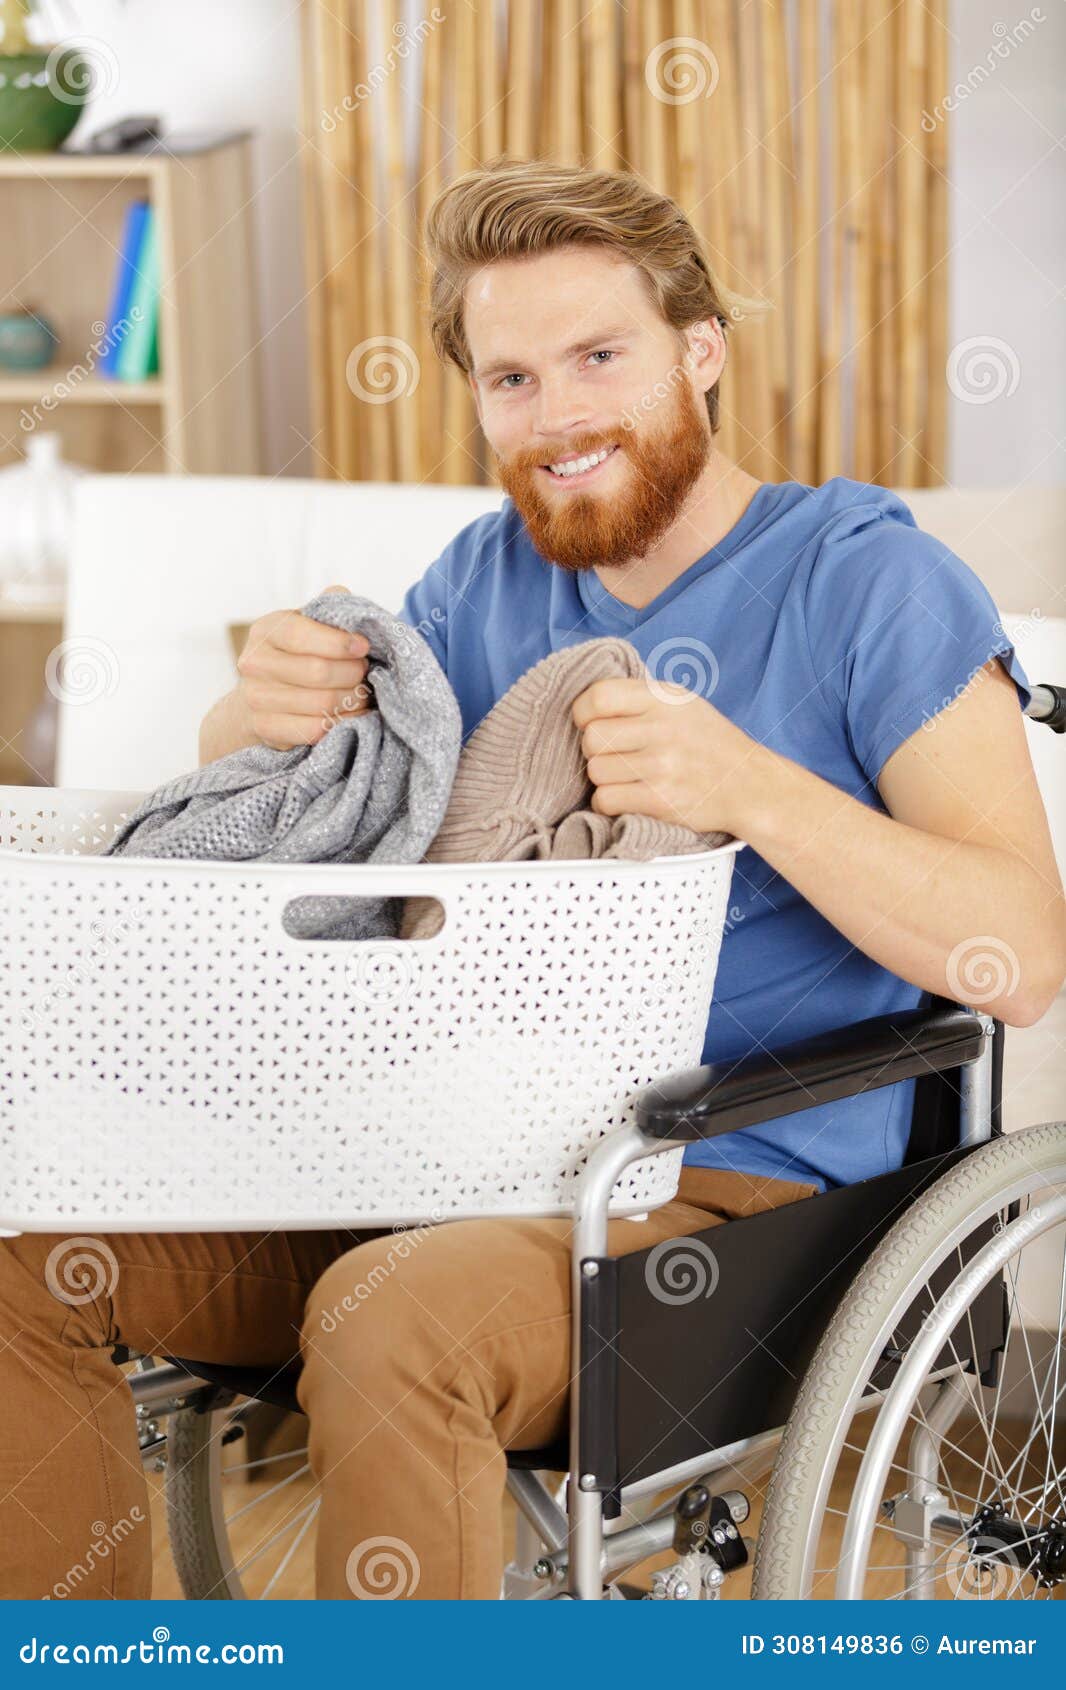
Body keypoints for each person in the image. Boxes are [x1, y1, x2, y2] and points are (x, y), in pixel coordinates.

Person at [2, 158, 1063, 1602]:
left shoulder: (866, 579)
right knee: (18, 1240)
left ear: (700, 353)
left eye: (597, 357)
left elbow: (1017, 953)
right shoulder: (478, 582)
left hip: (728, 1198)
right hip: (420, 1142)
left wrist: (746, 786)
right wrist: (252, 718)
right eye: (510, 378)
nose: (555, 415)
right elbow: (316, 819)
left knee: (394, 1318)